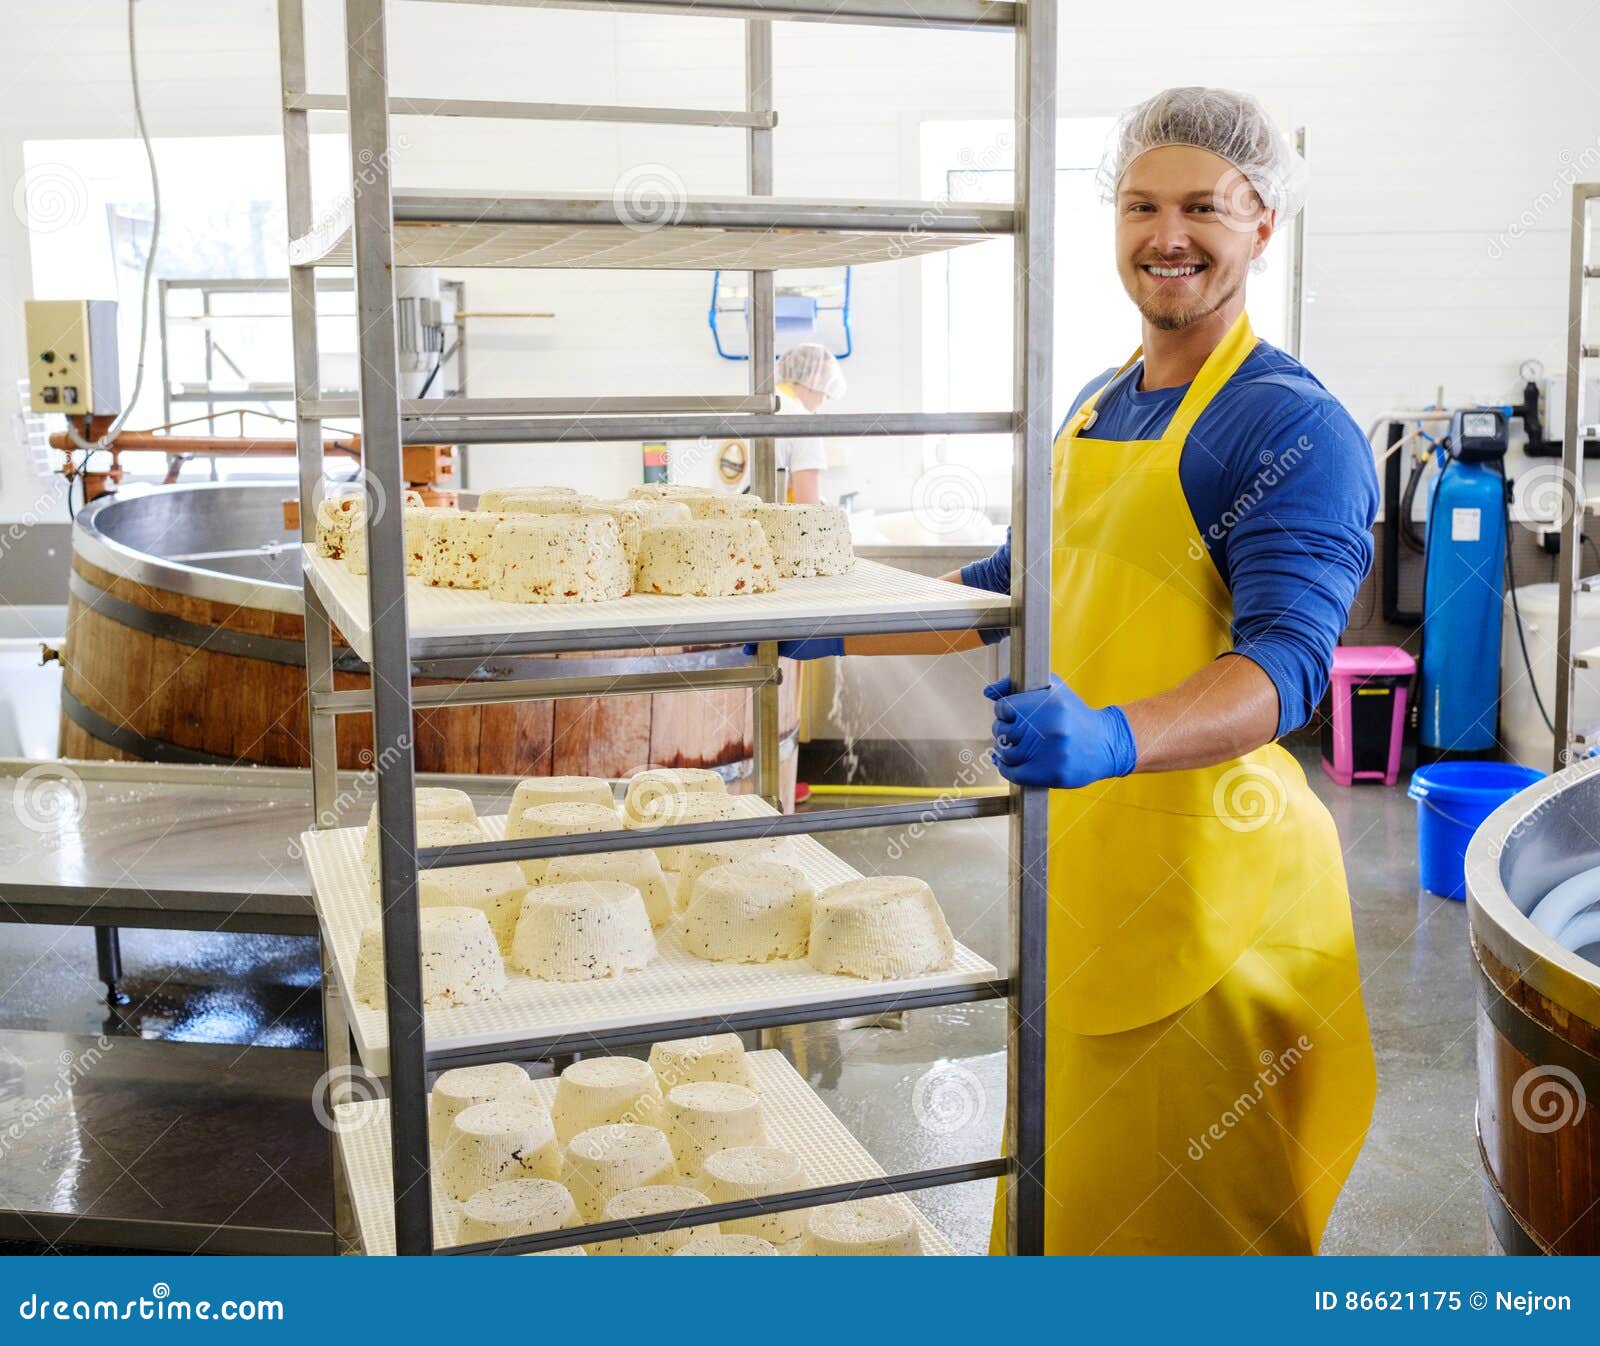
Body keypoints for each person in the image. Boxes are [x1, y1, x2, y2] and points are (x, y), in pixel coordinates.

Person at [777, 87, 1378, 1254]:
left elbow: (1288, 665)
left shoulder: (1287, 428)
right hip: (1084, 889)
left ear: (1264, 223)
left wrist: (1110, 732)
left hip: (1216, 909)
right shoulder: (1101, 403)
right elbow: (1006, 591)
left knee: (1190, 1244)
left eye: (1204, 206)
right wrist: (827, 620)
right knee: (1064, 1218)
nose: (1169, 233)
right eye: (1142, 203)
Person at [772, 343, 845, 503]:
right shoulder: (804, 423)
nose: (820, 407)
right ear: (814, 380)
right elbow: (808, 511)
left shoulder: (753, 405)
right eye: (825, 395)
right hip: (765, 526)